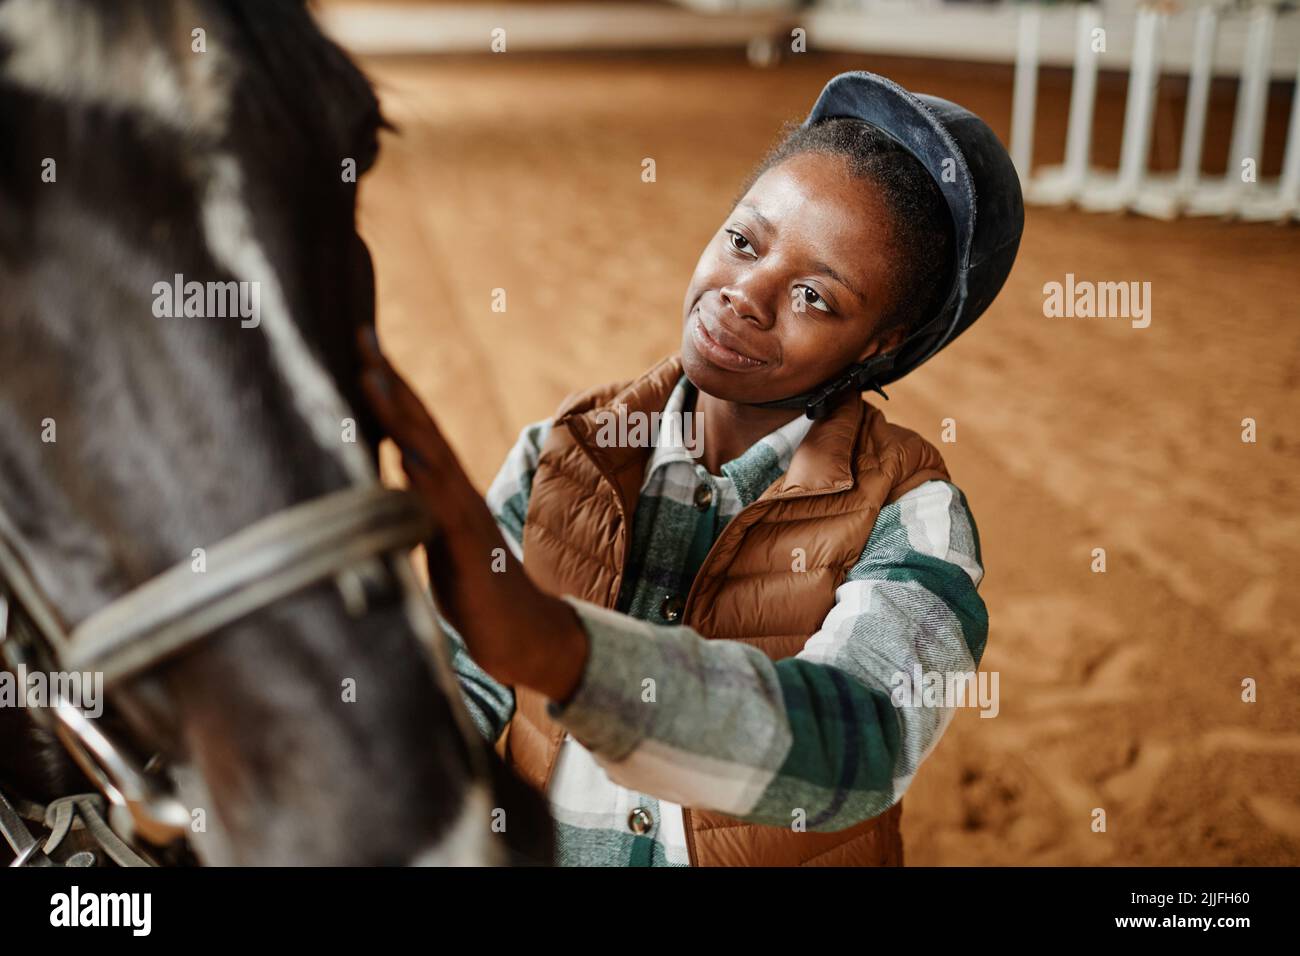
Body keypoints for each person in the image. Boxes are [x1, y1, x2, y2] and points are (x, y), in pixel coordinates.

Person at [359, 70, 1024, 866]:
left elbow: (865, 740)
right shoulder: (556, 456)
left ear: (883, 343)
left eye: (814, 296)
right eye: (744, 242)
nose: (746, 294)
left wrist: (560, 651)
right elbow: (449, 707)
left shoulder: (912, 516)